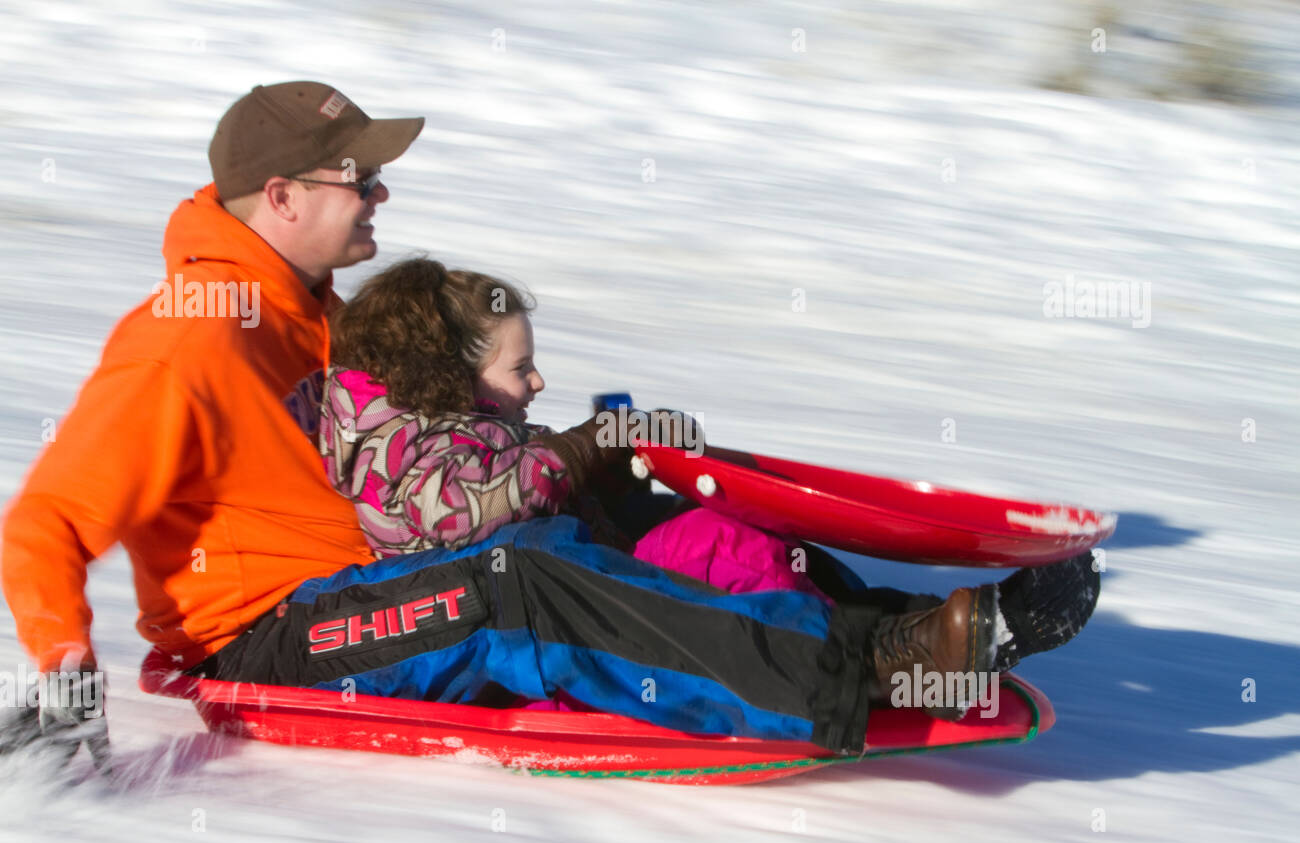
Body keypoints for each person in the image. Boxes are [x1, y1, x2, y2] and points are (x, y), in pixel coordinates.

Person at [1, 81, 1099, 769]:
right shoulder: (188, 337)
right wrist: (64, 676)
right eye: (359, 178)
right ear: (281, 196)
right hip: (278, 632)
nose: (381, 195)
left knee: (605, 502)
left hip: (387, 571)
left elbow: (424, 455)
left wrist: (572, 456)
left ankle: (933, 631)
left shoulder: (319, 313)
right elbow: (45, 519)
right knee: (516, 580)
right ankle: (861, 671)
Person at [316, 255, 829, 601]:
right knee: (715, 544)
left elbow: (518, 479)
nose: (538, 382)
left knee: (720, 532)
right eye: (520, 369)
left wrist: (620, 463)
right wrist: (580, 447)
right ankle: (834, 659)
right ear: (455, 376)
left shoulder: (464, 432)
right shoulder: (406, 449)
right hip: (528, 627)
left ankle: (854, 625)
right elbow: (462, 509)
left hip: (580, 586)